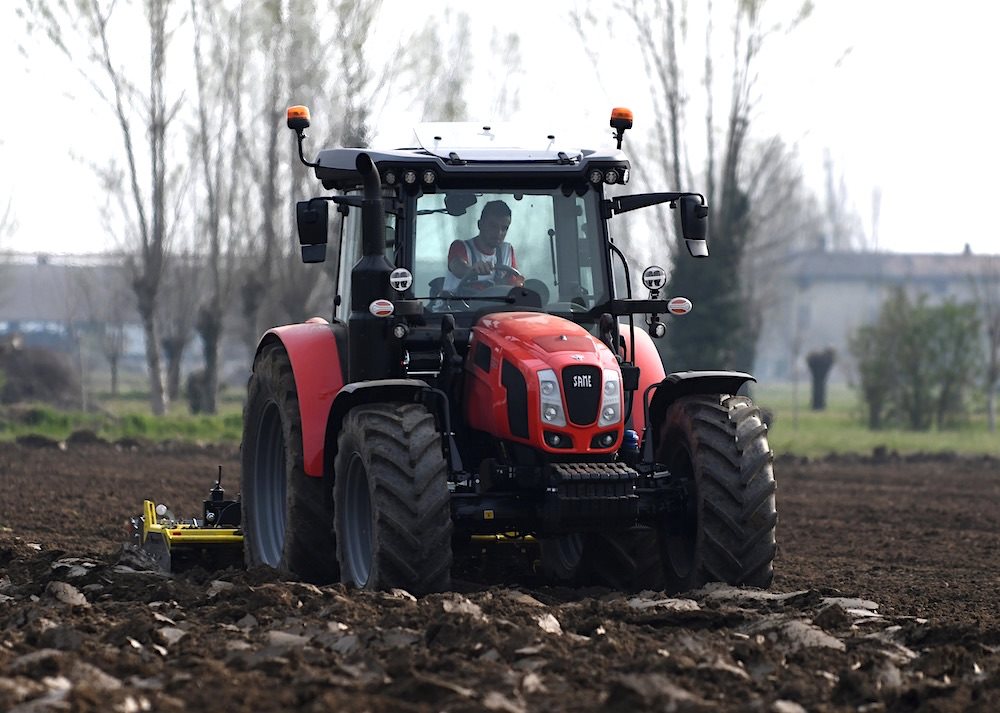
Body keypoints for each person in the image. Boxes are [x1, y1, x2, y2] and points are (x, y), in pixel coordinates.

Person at [441, 200, 524, 294]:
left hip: (493, 308)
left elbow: (513, 285)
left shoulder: (507, 251)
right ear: (480, 225)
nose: (498, 233)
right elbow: (458, 268)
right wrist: (471, 270)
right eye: (493, 226)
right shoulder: (460, 247)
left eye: (504, 228)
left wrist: (518, 283)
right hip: (454, 307)